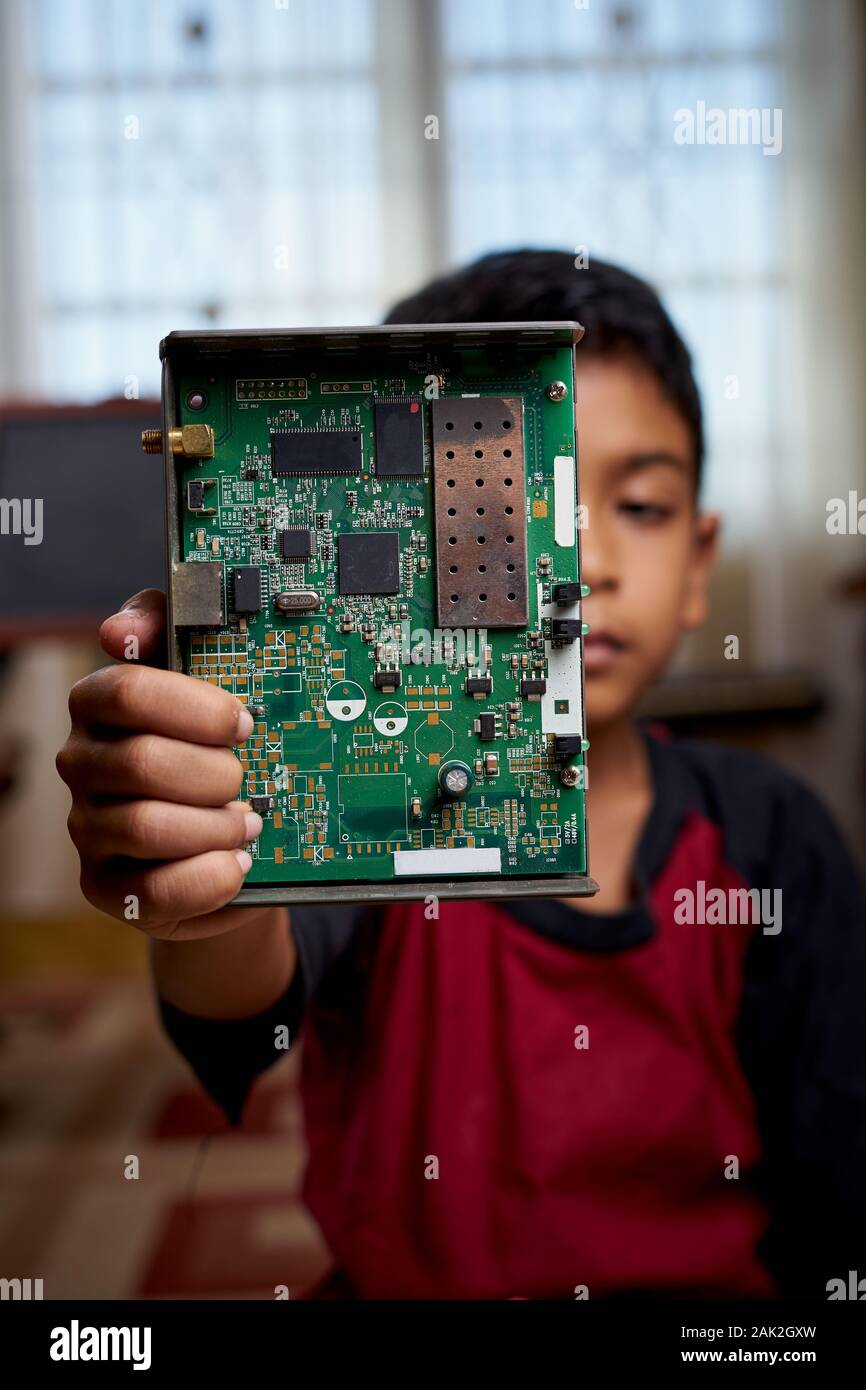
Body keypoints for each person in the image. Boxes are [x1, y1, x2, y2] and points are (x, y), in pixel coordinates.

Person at [57, 250, 866, 1300]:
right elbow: (240, 1011)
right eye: (523, 498)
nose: (582, 557)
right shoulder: (375, 821)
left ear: (701, 563)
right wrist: (202, 875)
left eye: (643, 506)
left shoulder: (767, 838)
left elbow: (837, 1192)